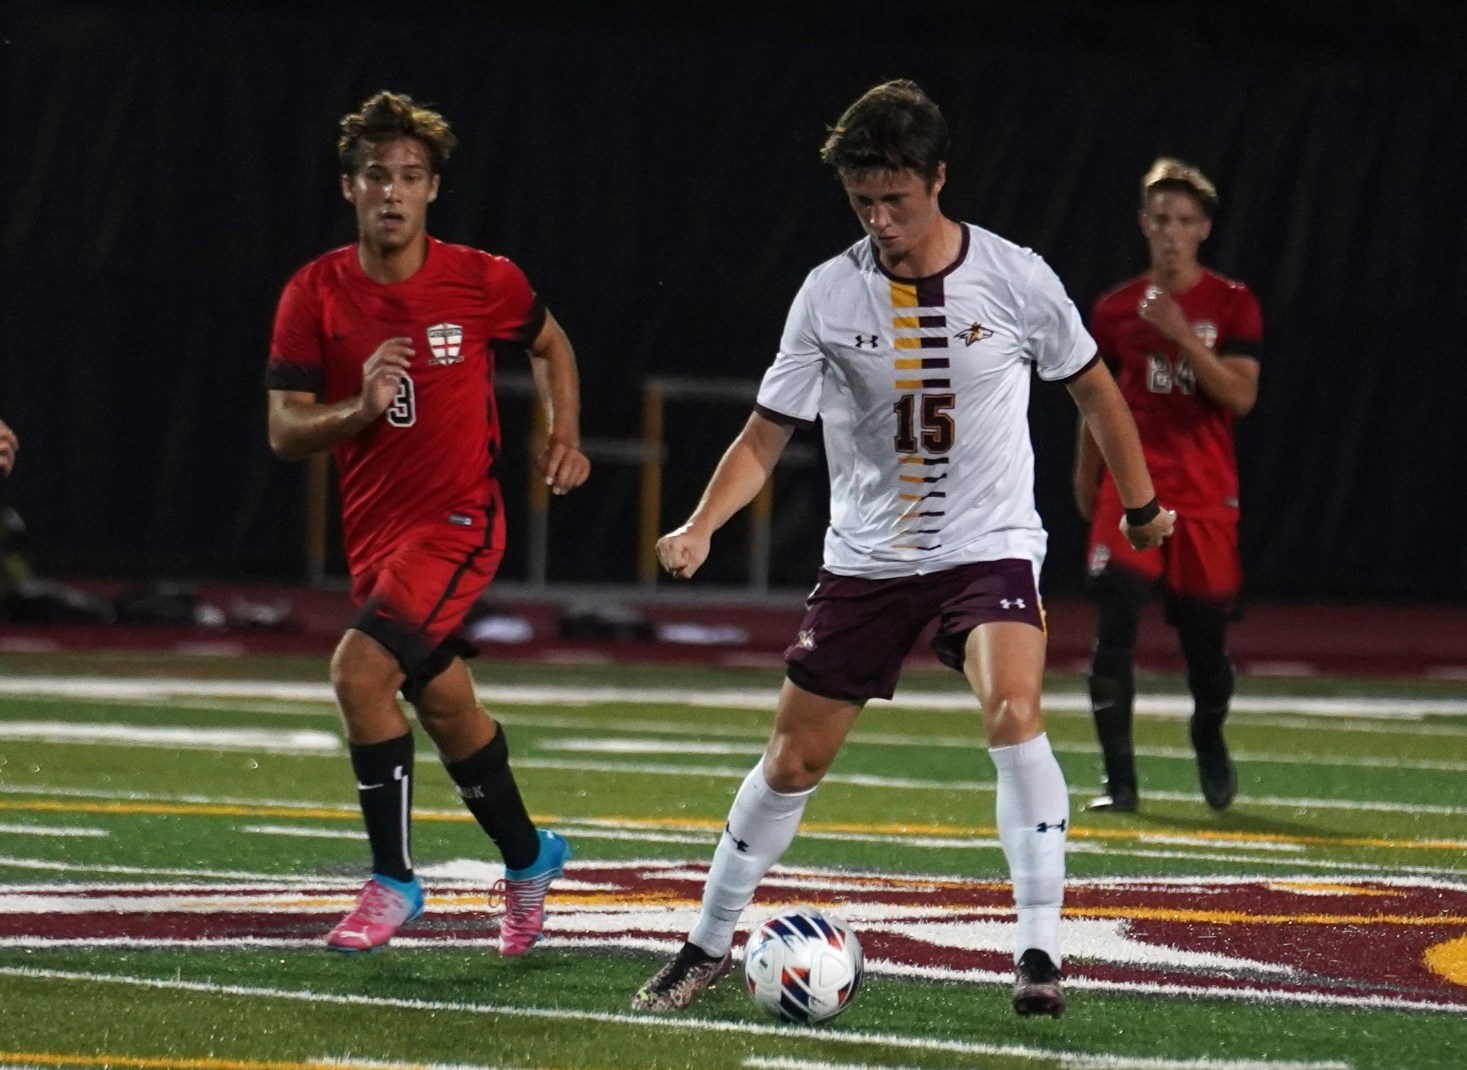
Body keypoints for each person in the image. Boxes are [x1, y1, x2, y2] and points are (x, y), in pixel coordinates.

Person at [632, 79, 1174, 1019]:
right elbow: (766, 433)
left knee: (1011, 710)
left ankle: (1038, 954)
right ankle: (705, 943)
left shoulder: (1013, 276)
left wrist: (1140, 507)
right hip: (868, 560)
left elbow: (1095, 392)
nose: (880, 219)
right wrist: (701, 523)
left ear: (938, 179)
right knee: (794, 761)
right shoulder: (826, 293)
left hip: (987, 547)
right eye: (861, 202)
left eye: (896, 198)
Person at [265, 91, 590, 955]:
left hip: (459, 522)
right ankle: (529, 858)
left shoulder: (482, 278)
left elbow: (550, 342)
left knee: (358, 675)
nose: (393, 192)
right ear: (349, 187)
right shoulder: (313, 292)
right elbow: (285, 429)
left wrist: (562, 433)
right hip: (374, 539)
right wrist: (358, 408)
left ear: (433, 189)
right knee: (444, 705)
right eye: (377, 176)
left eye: (410, 176)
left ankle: (393, 881)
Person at [1073, 157, 1262, 814]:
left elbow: (1239, 396)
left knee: (1204, 641)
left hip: (1206, 493)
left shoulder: (1231, 303)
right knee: (1114, 622)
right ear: (1143, 225)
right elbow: (1095, 398)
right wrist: (1086, 473)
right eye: (1159, 219)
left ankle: (1207, 735)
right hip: (1132, 488)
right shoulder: (1114, 307)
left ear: (1203, 228)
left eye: (1183, 220)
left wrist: (1181, 336)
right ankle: (1118, 782)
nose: (1170, 232)